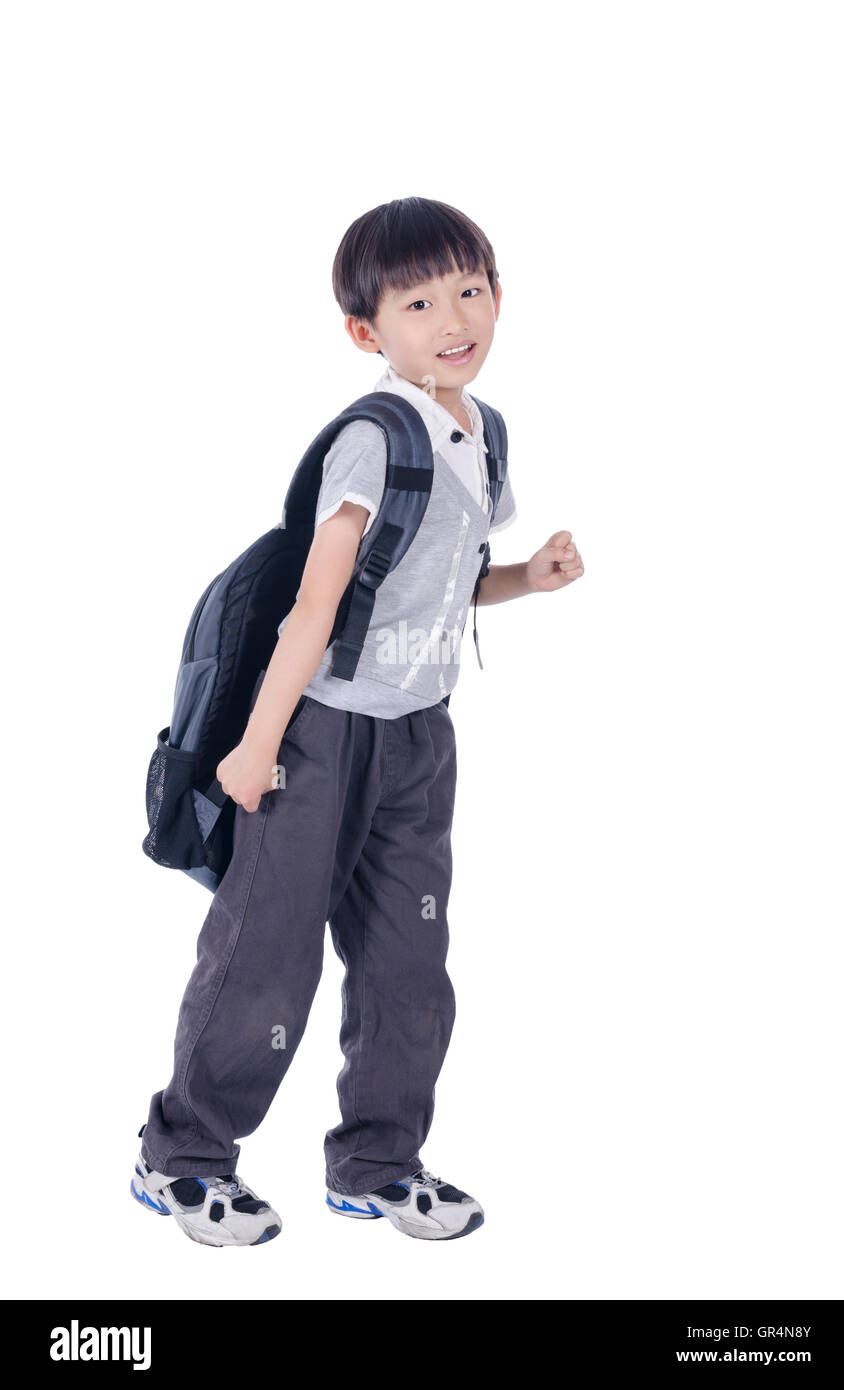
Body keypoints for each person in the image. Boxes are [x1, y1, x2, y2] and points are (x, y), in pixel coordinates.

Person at [131, 196, 585, 1245]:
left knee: (407, 965)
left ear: (500, 295)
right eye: (418, 300)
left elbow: (437, 585)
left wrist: (529, 577)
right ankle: (180, 1157)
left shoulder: (484, 432)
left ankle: (378, 1164)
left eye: (471, 289)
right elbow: (316, 608)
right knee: (266, 955)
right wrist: (254, 746)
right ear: (367, 332)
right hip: (316, 736)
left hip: (421, 734)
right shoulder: (374, 443)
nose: (453, 317)